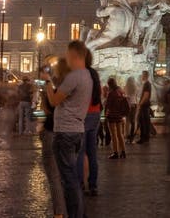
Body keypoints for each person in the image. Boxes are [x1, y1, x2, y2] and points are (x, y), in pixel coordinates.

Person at [46, 40, 93, 218]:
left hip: (65, 131)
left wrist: (48, 83)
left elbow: (54, 101)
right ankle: (81, 213)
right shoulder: (87, 75)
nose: (66, 58)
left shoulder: (75, 76)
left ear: (74, 55)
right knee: (73, 177)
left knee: (69, 180)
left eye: (67, 55)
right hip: (77, 131)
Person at [41, 59, 69, 218]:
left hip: (53, 132)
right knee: (65, 175)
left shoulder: (57, 88)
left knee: (54, 176)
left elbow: (48, 108)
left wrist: (46, 84)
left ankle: (59, 213)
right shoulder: (71, 86)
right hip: (68, 132)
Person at [77, 49, 102, 194]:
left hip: (85, 114)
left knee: (80, 152)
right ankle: (93, 185)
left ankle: (80, 183)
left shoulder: (82, 74)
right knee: (92, 153)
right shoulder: (94, 74)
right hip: (96, 113)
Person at [105, 77, 128, 159]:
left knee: (113, 134)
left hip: (112, 116)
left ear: (109, 85)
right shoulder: (120, 91)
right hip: (119, 115)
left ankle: (115, 152)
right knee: (120, 134)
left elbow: (108, 105)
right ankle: (123, 152)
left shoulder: (111, 93)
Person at [136, 70, 152, 144]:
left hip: (144, 106)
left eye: (142, 75)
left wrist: (140, 104)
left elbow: (146, 95)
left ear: (145, 76)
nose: (141, 76)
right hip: (144, 105)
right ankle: (145, 138)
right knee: (144, 122)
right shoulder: (146, 84)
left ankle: (144, 138)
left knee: (143, 122)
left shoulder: (147, 84)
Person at [124, 76, 138, 144]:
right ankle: (132, 138)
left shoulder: (125, 87)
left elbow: (125, 96)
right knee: (133, 122)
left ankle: (126, 137)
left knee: (127, 122)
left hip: (127, 106)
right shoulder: (135, 87)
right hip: (134, 105)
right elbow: (136, 97)